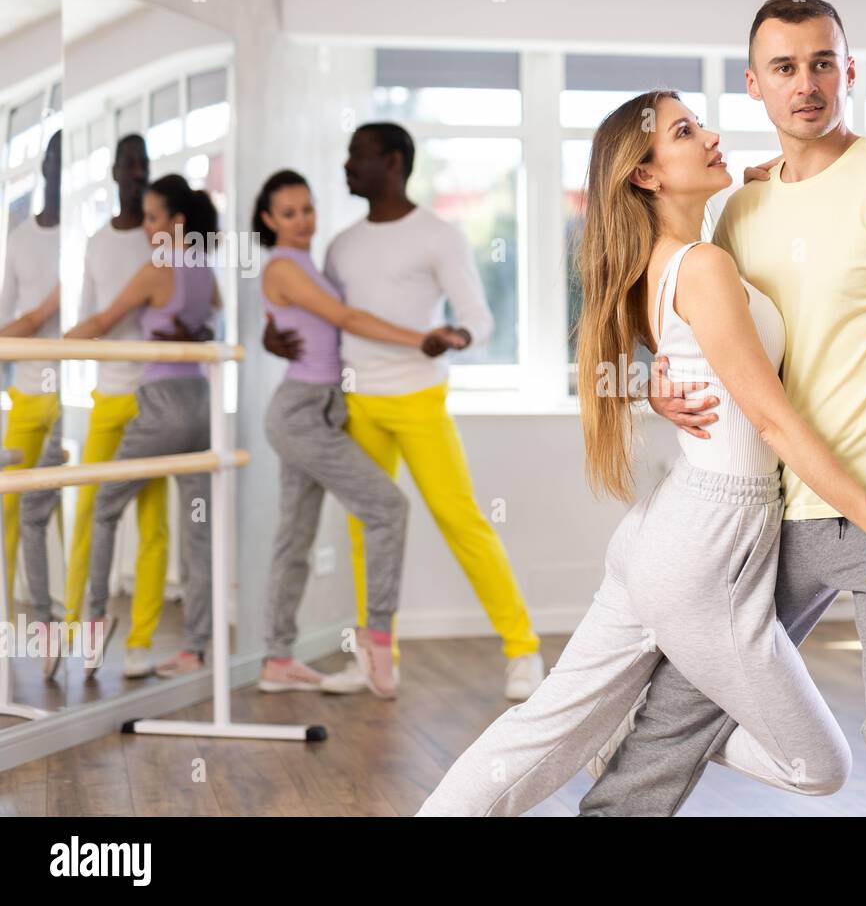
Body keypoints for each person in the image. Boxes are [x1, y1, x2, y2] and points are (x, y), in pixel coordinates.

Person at [415, 88, 866, 817]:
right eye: (686, 131)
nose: (711, 135)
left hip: (669, 530)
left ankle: (613, 720)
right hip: (706, 549)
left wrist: (762, 188)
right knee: (819, 766)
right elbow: (774, 423)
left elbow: (702, 367)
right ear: (647, 176)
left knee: (542, 728)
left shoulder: (677, 259)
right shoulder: (702, 268)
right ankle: (624, 718)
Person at [579, 0, 866, 817]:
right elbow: (693, 320)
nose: (807, 83)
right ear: (755, 85)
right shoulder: (737, 207)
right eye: (785, 68)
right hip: (777, 516)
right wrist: (654, 378)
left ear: (849, 71)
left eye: (823, 62)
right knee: (680, 710)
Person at [262, 123, 544, 701]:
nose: (345, 166)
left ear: (392, 163)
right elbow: (324, 319)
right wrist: (273, 337)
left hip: (419, 400)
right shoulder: (340, 245)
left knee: (460, 521)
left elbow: (479, 315)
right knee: (368, 528)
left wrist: (458, 336)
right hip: (355, 403)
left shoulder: (438, 236)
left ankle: (522, 649)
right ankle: (376, 656)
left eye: (356, 156)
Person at [254, 168, 452, 698]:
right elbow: (345, 317)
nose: (302, 221)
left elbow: (296, 323)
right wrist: (421, 339)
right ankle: (377, 639)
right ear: (269, 219)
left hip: (323, 408)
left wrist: (271, 333)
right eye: (289, 213)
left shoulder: (306, 264)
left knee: (293, 538)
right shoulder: (283, 264)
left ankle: (276, 658)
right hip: (299, 412)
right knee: (387, 508)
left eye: (308, 208)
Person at [64, 174, 222, 679]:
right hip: (201, 402)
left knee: (105, 507)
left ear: (176, 222)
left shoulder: (160, 266)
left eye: (153, 218)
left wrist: (59, 342)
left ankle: (93, 623)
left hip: (162, 404)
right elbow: (209, 320)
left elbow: (104, 320)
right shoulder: (204, 268)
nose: (147, 228)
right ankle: (195, 647)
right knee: (197, 530)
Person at [63, 134, 172, 680]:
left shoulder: (162, 241)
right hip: (107, 398)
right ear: (113, 172)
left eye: (144, 165)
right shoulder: (96, 243)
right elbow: (90, 318)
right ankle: (78, 628)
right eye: (129, 165)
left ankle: (141, 640)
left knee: (153, 526)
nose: (136, 173)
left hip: (154, 401)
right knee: (89, 515)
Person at [2, 131, 61, 619]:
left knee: (57, 513)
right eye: (56, 161)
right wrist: (45, 310)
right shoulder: (20, 240)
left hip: (66, 398)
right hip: (25, 394)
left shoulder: (83, 235)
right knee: (10, 512)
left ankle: (53, 620)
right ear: (44, 168)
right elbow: (4, 331)